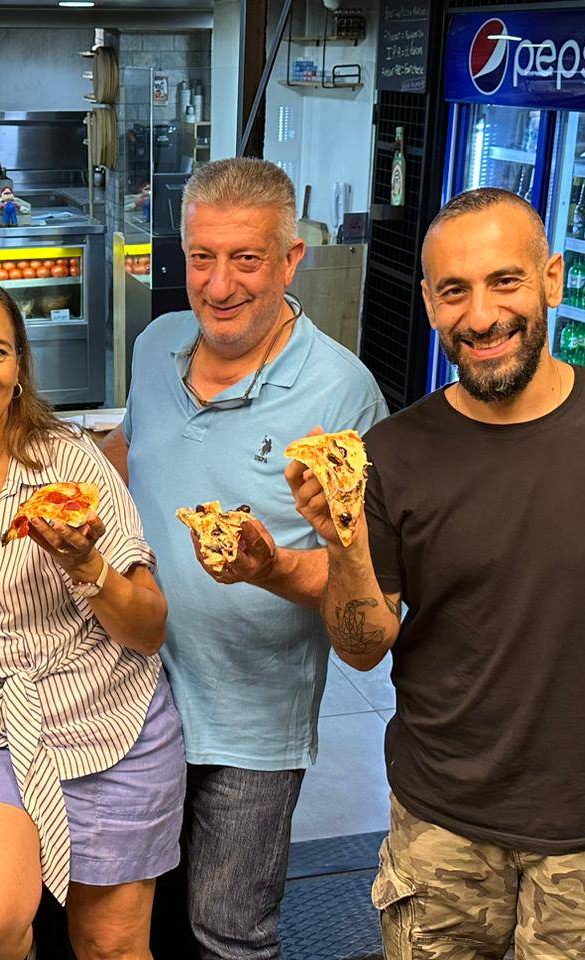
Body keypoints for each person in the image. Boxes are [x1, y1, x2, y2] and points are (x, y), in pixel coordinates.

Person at [289, 187, 585, 958]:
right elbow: (364, 646)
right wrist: (341, 543)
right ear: (430, 303)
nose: (481, 317)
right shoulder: (392, 454)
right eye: (454, 292)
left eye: (505, 281)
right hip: (439, 826)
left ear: (554, 280)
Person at [102, 157, 387, 959]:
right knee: (135, 919)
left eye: (246, 259)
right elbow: (130, 451)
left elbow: (362, 583)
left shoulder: (344, 394)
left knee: (227, 931)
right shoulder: (158, 343)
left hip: (249, 722)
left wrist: (268, 568)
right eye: (202, 257)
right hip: (130, 698)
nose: (219, 285)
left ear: (291, 260)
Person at [0, 269, 183, 960]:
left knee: (110, 945)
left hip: (109, 719)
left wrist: (89, 569)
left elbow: (148, 628)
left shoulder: (69, 465)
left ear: (19, 367)